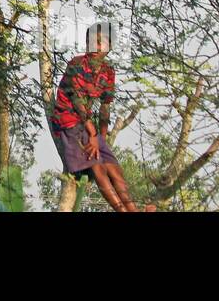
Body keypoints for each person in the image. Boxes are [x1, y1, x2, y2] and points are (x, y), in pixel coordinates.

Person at [51, 22, 155, 211]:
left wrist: (102, 138)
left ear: (109, 47)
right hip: (70, 122)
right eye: (91, 41)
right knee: (98, 168)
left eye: (100, 43)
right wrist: (92, 134)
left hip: (89, 126)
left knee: (114, 169)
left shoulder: (108, 72)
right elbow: (77, 101)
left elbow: (105, 107)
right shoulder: (77, 63)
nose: (94, 47)